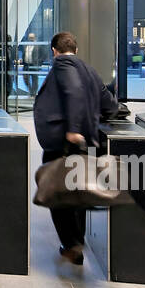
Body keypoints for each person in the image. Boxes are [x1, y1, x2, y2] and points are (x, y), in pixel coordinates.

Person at [32, 31, 120, 265]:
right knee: (77, 191)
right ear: (76, 49)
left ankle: (71, 244)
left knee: (54, 191)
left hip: (63, 143)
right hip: (84, 144)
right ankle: (75, 242)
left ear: (54, 51)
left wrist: (72, 129)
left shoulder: (62, 65)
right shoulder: (88, 70)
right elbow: (108, 101)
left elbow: (73, 92)